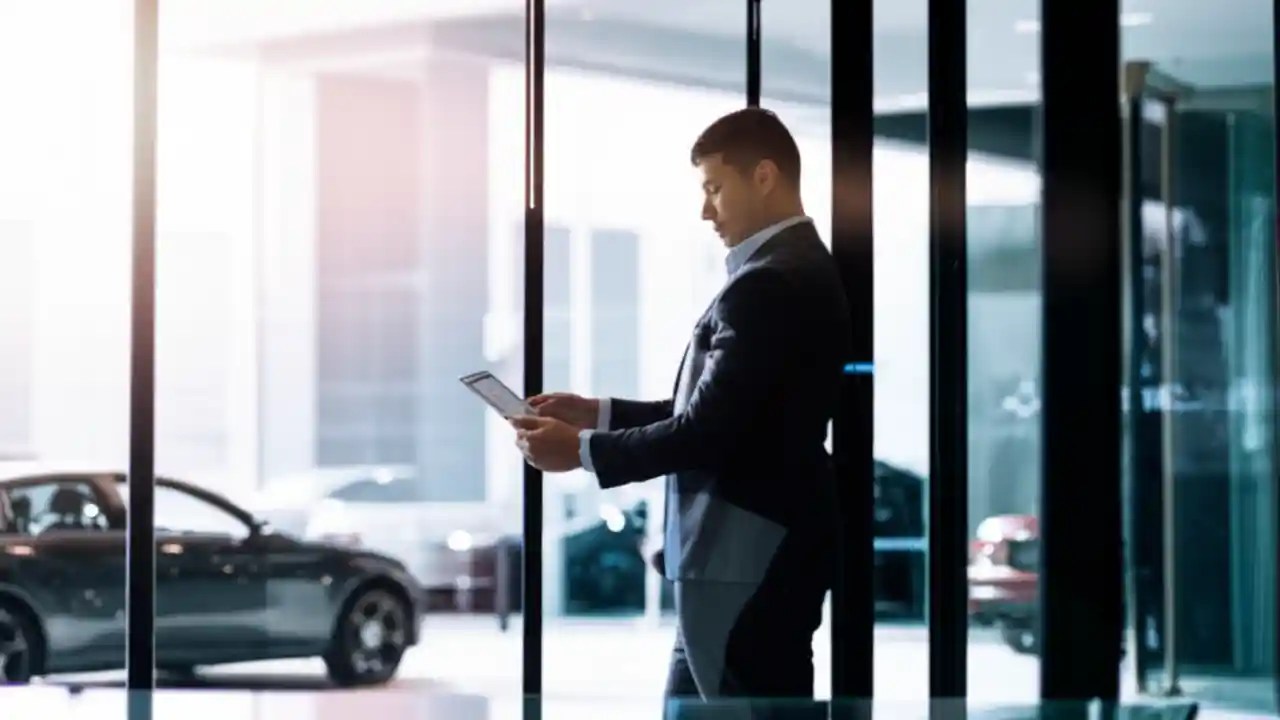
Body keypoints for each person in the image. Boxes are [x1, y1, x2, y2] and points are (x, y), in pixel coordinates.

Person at [512, 107, 852, 719]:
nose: (706, 211)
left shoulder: (769, 283)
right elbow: (728, 410)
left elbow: (709, 430)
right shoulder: (791, 270)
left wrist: (582, 451)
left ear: (765, 176)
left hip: (742, 557)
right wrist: (599, 414)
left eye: (715, 188)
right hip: (749, 555)